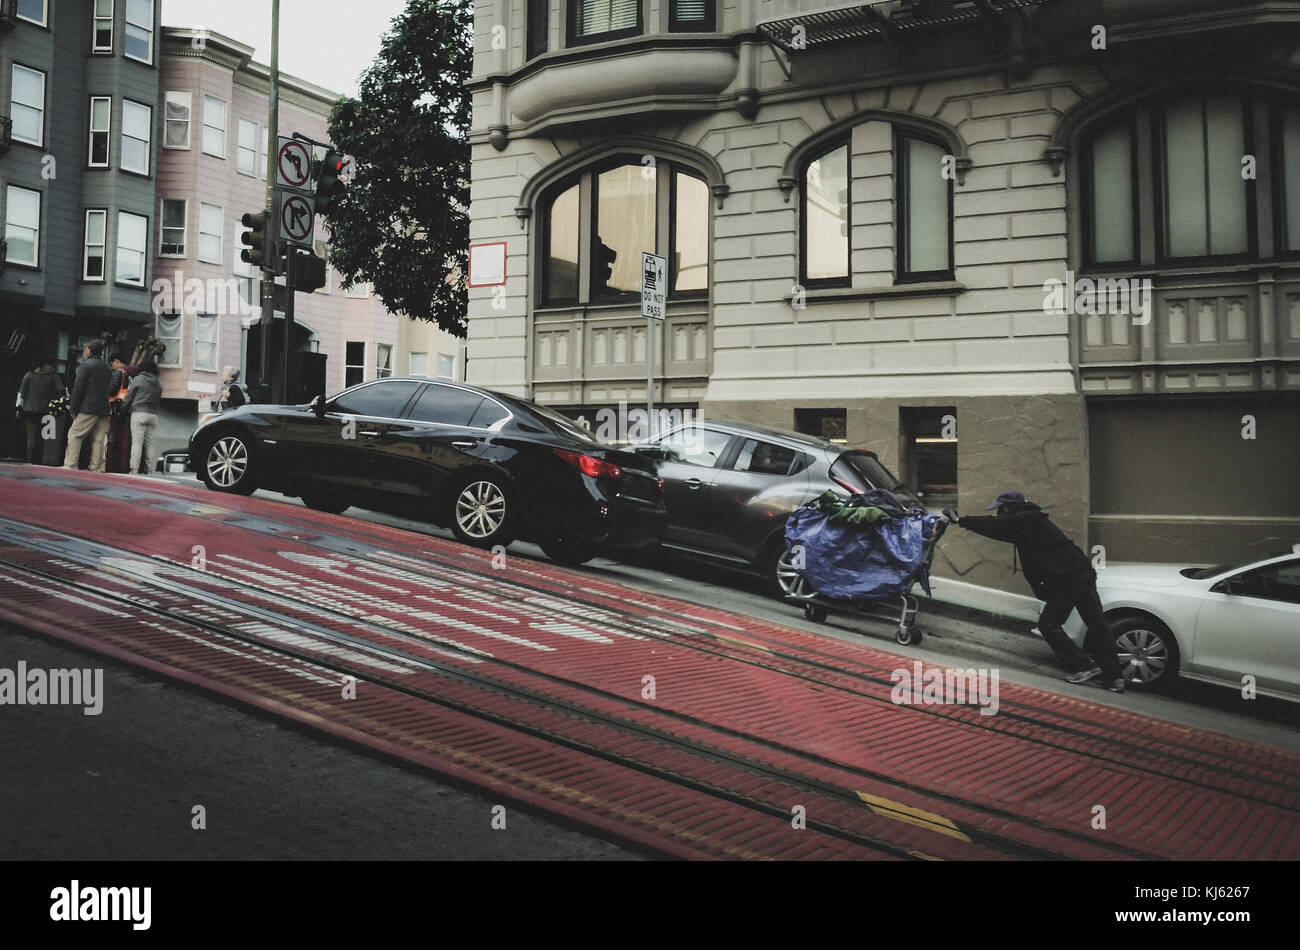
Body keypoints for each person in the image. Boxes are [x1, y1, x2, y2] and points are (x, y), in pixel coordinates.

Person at [944, 491, 1127, 692]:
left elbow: (992, 526)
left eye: (1000, 509)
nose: (998, 514)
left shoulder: (1025, 520)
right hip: (1081, 573)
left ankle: (1086, 665)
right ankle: (1114, 678)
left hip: (1070, 578)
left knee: (1049, 624)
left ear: (1008, 508)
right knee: (1097, 623)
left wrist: (961, 520)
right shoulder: (1030, 521)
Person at [63, 341, 114, 472]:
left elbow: (78, 388)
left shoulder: (86, 366)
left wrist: (73, 407)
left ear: (90, 350)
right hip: (103, 407)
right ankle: (96, 467)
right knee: (99, 439)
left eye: (87, 348)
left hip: (87, 407)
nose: (85, 350)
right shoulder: (107, 367)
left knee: (75, 434)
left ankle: (71, 464)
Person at [15, 357, 66, 465]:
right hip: (47, 410)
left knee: (31, 437)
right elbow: (62, 391)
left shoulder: (29, 375)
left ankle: (30, 461)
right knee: (46, 438)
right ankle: (44, 461)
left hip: (30, 409)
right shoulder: (53, 376)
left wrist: (19, 407)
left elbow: (22, 393)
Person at [122, 359, 162, 475]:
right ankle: (149, 470)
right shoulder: (158, 384)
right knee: (149, 444)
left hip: (139, 413)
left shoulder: (138, 380)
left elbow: (129, 397)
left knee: (137, 442)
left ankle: (134, 469)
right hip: (153, 415)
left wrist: (123, 409)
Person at [106, 354, 137, 473]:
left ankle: (112, 465)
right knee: (126, 439)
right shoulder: (134, 374)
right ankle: (124, 465)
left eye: (111, 364)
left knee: (113, 438)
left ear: (116, 361)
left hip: (117, 408)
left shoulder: (120, 373)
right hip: (130, 408)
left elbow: (112, 389)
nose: (112, 368)